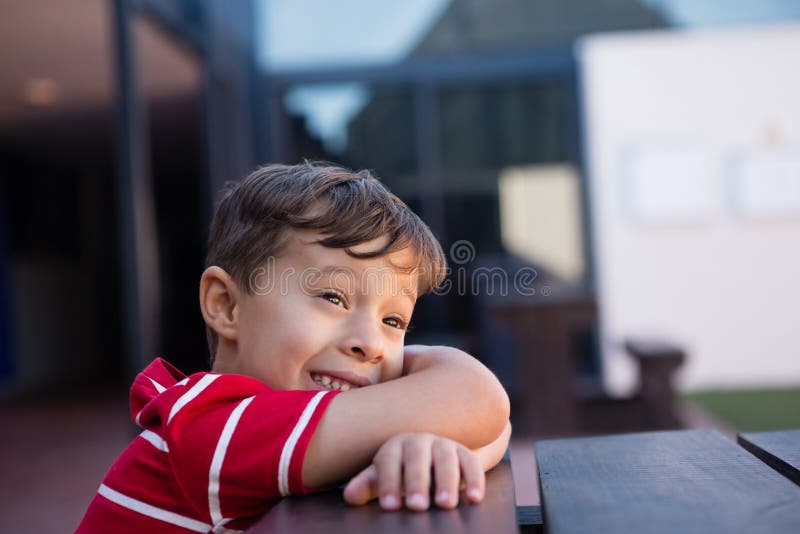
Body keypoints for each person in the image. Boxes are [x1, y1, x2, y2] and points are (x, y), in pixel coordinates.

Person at [77, 162, 511, 533]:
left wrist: (443, 450)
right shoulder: (215, 431)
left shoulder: (279, 439)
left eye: (392, 321)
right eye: (332, 297)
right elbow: (482, 404)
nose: (372, 345)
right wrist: (443, 407)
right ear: (226, 305)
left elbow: (487, 423)